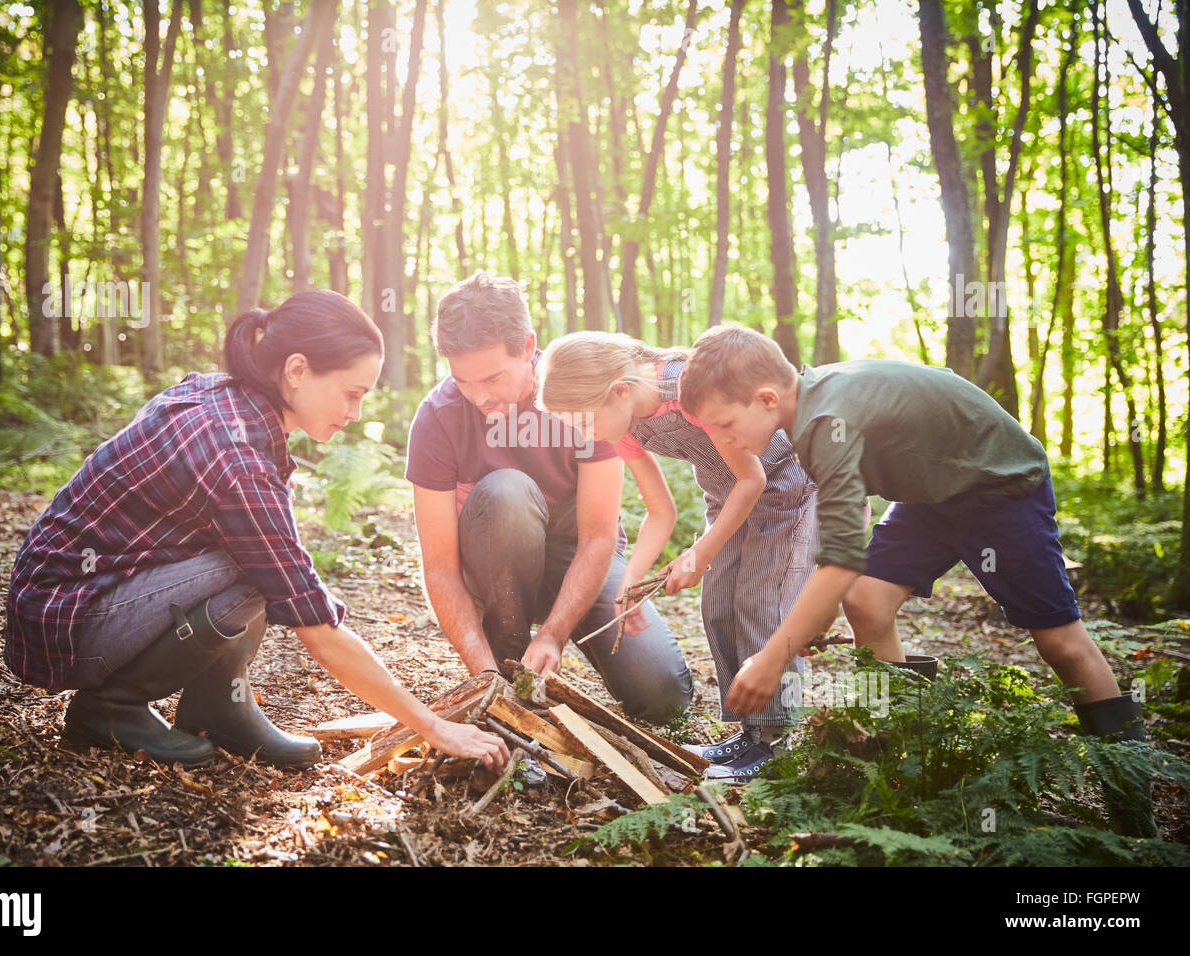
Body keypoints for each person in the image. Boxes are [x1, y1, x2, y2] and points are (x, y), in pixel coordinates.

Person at [677, 324, 1157, 835]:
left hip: (1000, 488)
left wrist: (774, 656)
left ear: (765, 398)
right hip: (932, 498)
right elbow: (846, 540)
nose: (722, 439)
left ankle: (1132, 806)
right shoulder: (808, 407)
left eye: (725, 424)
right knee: (865, 602)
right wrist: (811, 618)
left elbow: (839, 558)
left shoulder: (825, 418)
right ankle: (901, 764)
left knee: (1061, 641)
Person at [4, 290, 508, 772]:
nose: (355, 415)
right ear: (296, 370)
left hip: (94, 593)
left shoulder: (230, 403)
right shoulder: (234, 452)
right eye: (351, 394)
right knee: (259, 568)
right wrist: (434, 727)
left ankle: (220, 708)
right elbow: (317, 627)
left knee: (261, 557)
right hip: (69, 616)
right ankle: (111, 707)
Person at [406, 273, 693, 724]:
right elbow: (439, 567)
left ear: (527, 347)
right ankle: (505, 664)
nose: (479, 396)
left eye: (492, 377)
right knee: (507, 491)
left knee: (662, 697)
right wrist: (481, 670)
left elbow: (598, 538)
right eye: (463, 380)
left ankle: (544, 646)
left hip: (578, 555)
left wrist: (554, 636)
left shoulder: (583, 392)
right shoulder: (436, 418)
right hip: (492, 567)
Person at [536, 331, 817, 779]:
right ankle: (749, 733)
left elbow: (754, 479)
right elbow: (660, 511)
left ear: (619, 391)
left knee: (761, 603)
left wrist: (699, 555)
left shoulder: (689, 391)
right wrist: (631, 581)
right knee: (719, 604)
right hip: (727, 499)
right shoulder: (625, 425)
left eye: (585, 423)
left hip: (787, 490)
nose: (584, 435)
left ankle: (774, 744)